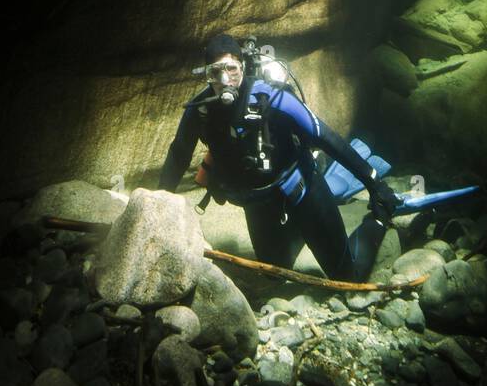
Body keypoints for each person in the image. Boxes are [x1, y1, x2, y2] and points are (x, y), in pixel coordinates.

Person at [157, 32, 402, 282]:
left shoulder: (272, 97)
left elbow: (325, 137)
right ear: (206, 74)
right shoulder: (200, 110)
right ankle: (299, 232)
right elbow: (179, 154)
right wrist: (158, 208)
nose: (224, 80)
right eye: (215, 72)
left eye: (231, 69)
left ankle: (379, 221)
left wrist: (375, 184)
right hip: (259, 205)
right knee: (275, 276)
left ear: (242, 67)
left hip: (305, 193)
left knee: (348, 279)